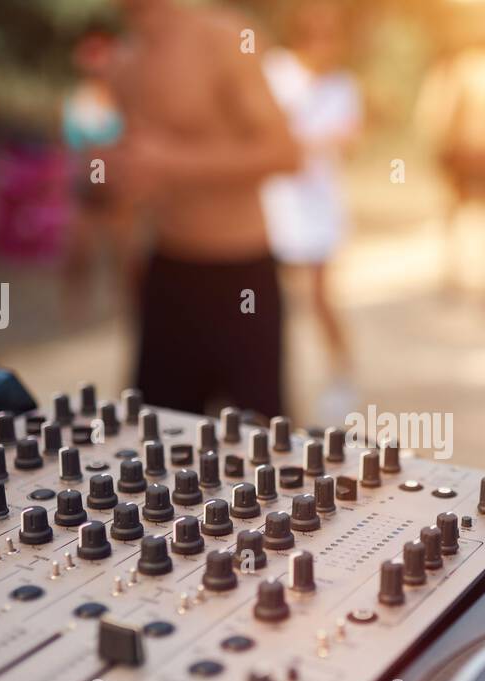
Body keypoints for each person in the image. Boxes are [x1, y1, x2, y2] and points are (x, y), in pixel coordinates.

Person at [111, 0, 300, 418]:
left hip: (240, 274)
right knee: (154, 445)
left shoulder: (224, 37)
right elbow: (139, 173)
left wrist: (174, 161)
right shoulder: (124, 59)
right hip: (167, 273)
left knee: (265, 450)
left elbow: (286, 153)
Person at [260, 0, 359, 378]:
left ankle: (341, 371)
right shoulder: (275, 71)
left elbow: (348, 140)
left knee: (320, 298)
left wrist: (299, 142)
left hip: (320, 203)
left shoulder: (342, 83)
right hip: (276, 204)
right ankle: (276, 379)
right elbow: (267, 132)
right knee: (273, 303)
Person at [414, 37, 485, 298]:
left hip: (463, 148)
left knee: (454, 210)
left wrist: (439, 149)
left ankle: (454, 271)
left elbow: (442, 112)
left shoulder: (458, 68)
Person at [61, 21, 134, 328]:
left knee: (125, 257)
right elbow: (74, 148)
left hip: (119, 190)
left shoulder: (126, 99)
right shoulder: (77, 100)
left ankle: (126, 310)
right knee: (80, 254)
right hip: (87, 189)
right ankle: (76, 313)